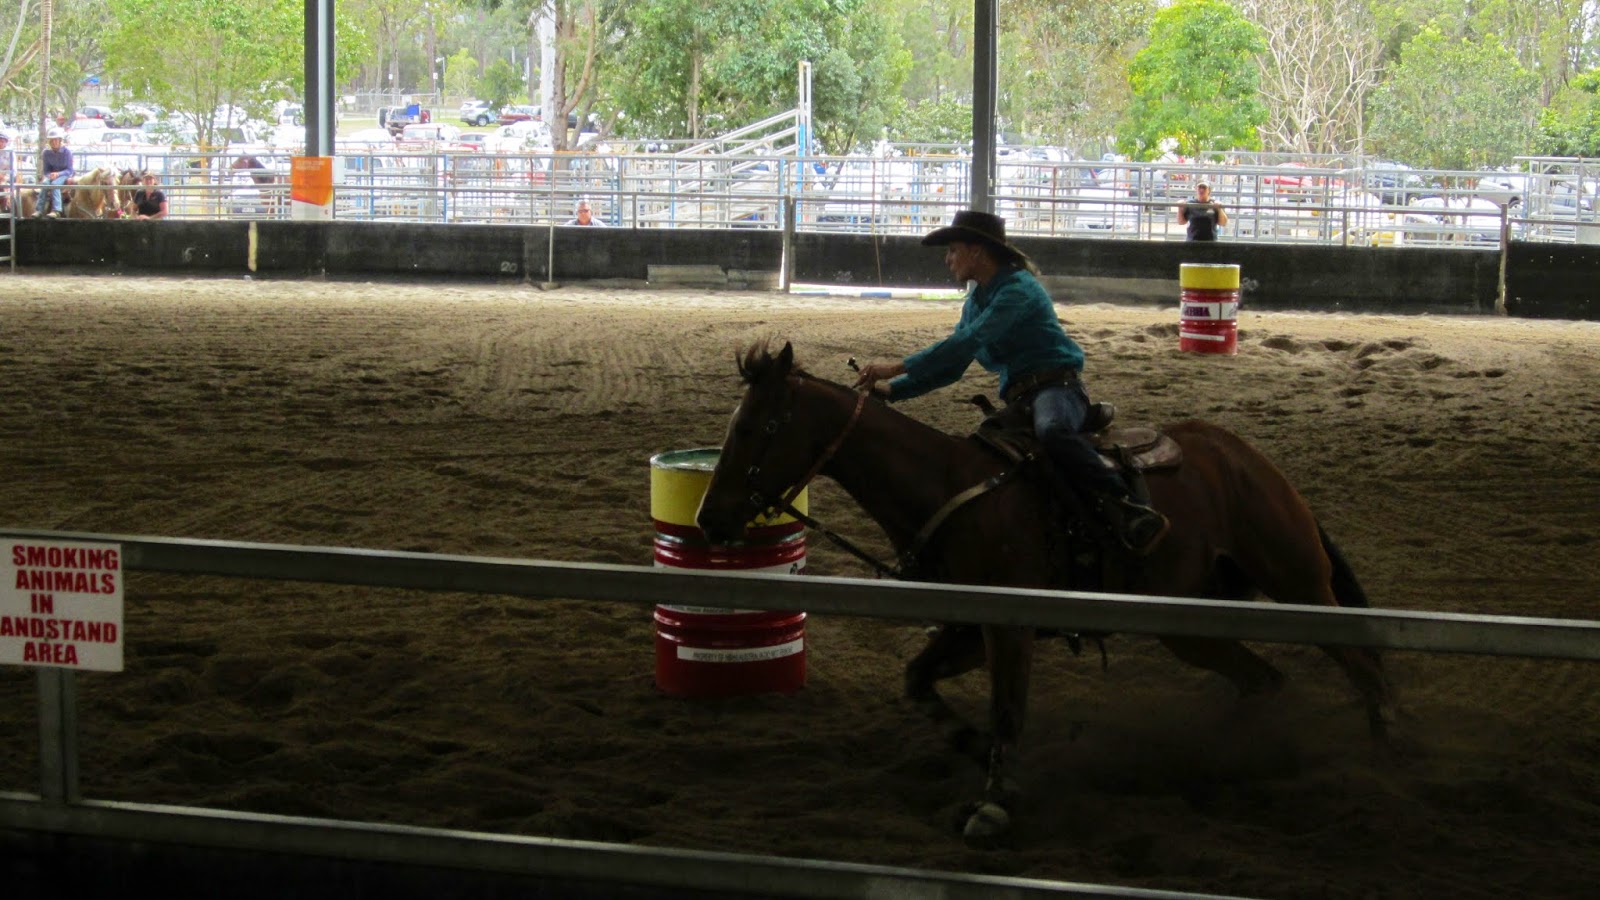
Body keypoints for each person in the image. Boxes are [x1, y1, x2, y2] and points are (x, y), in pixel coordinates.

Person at [851, 210, 1169, 554]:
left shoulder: (1019, 289)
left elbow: (965, 343)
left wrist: (894, 369)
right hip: (1022, 397)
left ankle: (1126, 504)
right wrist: (894, 392)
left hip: (1057, 388)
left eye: (953, 250)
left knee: (1053, 432)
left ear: (977, 251)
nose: (948, 259)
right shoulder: (977, 300)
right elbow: (954, 364)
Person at [40, 128, 74, 217]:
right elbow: (46, 170)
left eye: (56, 140)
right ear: (49, 142)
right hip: (52, 175)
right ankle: (39, 209)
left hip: (64, 175)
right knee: (44, 183)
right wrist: (49, 175)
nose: (54, 142)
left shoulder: (67, 152)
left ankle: (56, 210)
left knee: (55, 184)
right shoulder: (46, 153)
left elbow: (70, 170)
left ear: (60, 141)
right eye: (52, 140)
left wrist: (58, 174)